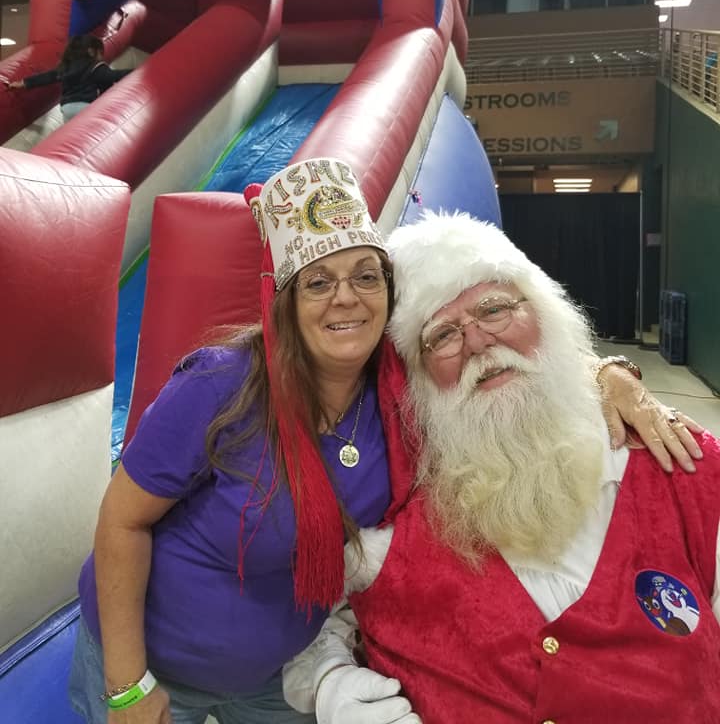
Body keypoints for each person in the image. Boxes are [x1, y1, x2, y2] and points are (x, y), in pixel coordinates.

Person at [67, 159, 699, 724]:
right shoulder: (219, 386)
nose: (346, 297)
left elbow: (502, 374)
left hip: (276, 673)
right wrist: (128, 685)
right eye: (318, 282)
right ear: (283, 302)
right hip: (153, 664)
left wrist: (608, 376)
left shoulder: (396, 389)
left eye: (365, 276)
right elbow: (121, 524)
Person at [285, 212, 719, 724]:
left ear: (546, 314)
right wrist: (331, 682)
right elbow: (300, 626)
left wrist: (608, 368)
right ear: (418, 378)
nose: (477, 342)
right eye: (442, 336)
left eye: (493, 309)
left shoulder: (679, 464)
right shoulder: (385, 508)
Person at [5, 33, 130, 121]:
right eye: (100, 53)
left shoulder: (66, 67)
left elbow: (48, 77)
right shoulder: (96, 67)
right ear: (91, 51)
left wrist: (23, 82)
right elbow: (111, 76)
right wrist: (137, 72)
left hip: (67, 107)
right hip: (87, 106)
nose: (102, 57)